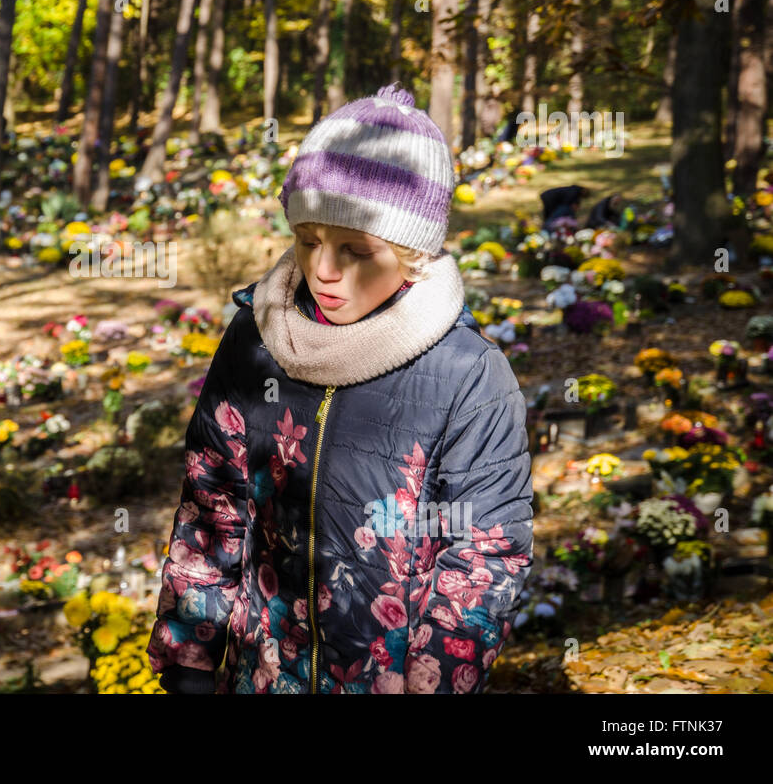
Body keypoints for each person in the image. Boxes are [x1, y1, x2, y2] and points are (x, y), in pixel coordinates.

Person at [147, 82, 533, 694]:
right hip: (261, 677)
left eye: (356, 250)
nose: (324, 270)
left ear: (414, 254)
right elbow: (212, 502)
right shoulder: (256, 341)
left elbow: (486, 553)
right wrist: (190, 655)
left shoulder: (467, 375)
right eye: (308, 240)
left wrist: (430, 682)